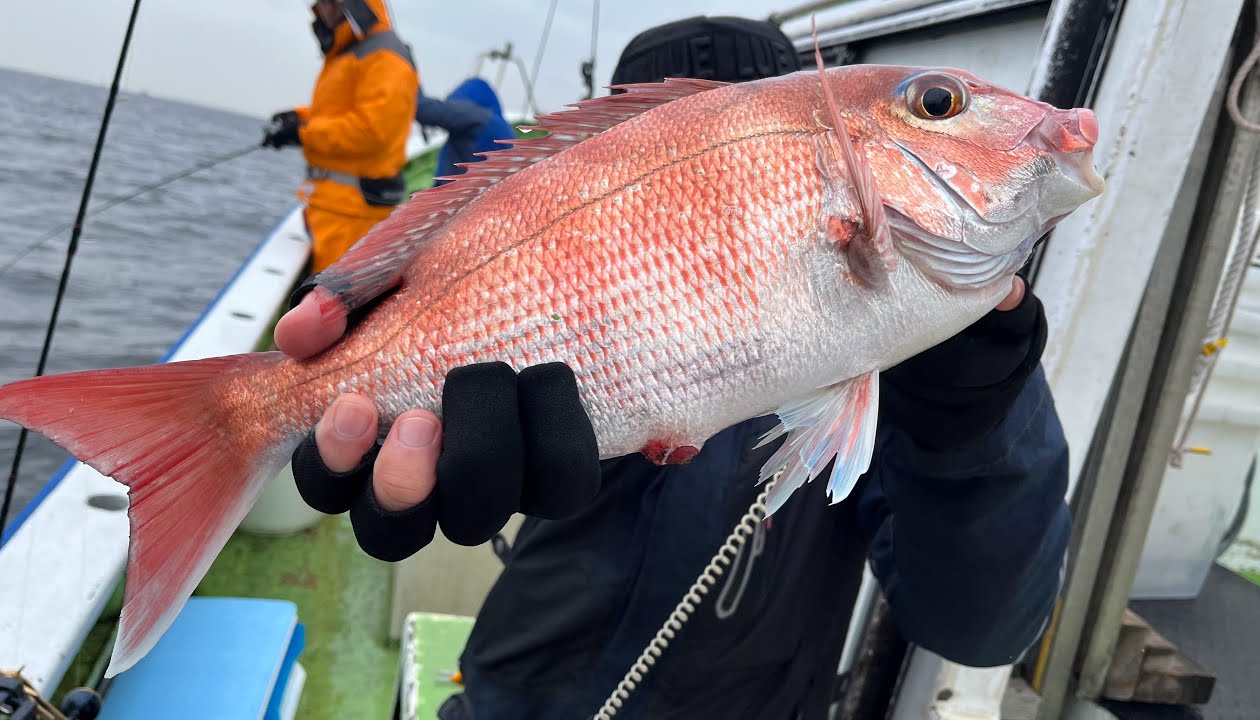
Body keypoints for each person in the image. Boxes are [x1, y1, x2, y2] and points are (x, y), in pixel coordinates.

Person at [276, 15, 1072, 720]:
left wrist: (977, 409)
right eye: (937, 107)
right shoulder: (610, 245)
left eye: (938, 107)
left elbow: (983, 625)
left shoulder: (922, 361)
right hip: (511, 693)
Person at [261, 0, 419, 274]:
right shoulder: (352, 51)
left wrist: (302, 133)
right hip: (334, 207)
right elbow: (340, 111)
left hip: (353, 214)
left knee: (336, 305)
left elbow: (371, 131)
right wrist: (300, 119)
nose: (320, 10)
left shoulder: (385, 58)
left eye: (327, 3)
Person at [416, 77, 517, 186]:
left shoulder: (475, 116)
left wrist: (407, 78)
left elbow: (423, 109)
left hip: (459, 195)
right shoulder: (503, 130)